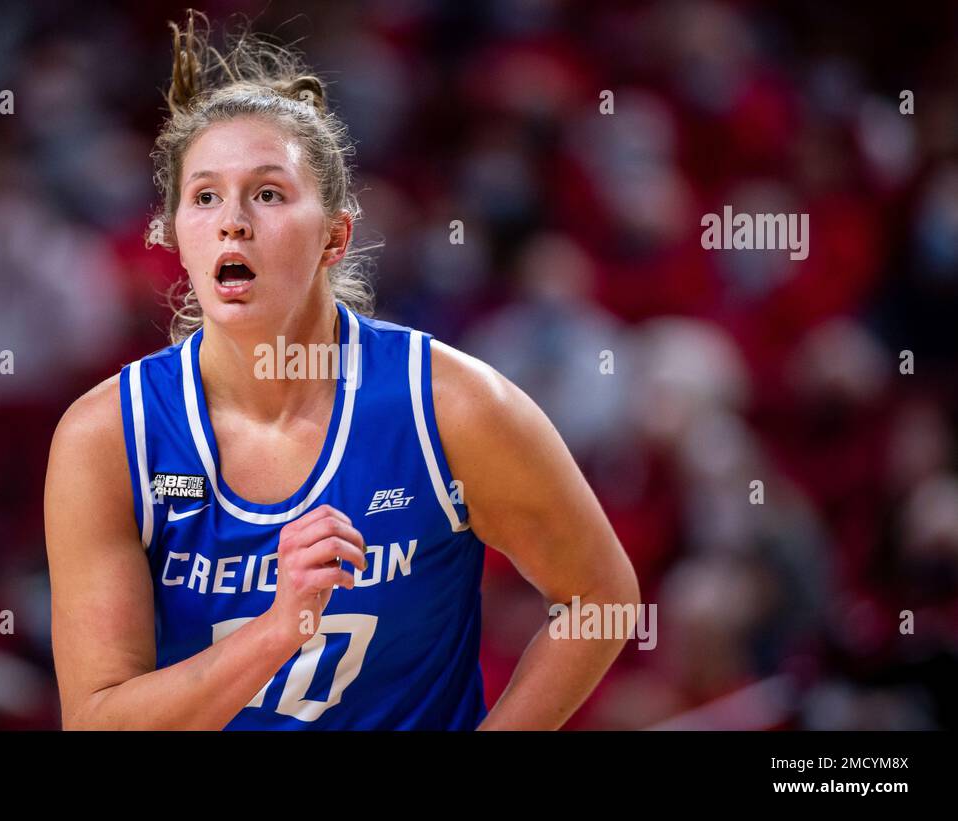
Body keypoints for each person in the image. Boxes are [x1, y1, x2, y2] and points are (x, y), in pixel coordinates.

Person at [44, 9, 639, 729]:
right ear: (175, 235)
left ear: (335, 235)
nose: (233, 219)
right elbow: (97, 720)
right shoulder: (108, 436)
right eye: (204, 196)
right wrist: (277, 628)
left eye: (267, 192)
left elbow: (601, 601)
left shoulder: (449, 405)